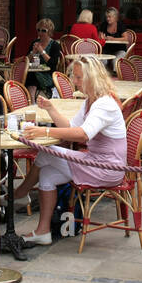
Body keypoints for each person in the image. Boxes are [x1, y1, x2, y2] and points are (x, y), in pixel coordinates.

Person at [13, 57, 126, 246]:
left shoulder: (103, 103)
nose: (75, 81)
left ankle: (21, 192)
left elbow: (82, 135)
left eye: (79, 77)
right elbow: (71, 127)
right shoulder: (91, 100)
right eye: (74, 77)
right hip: (95, 161)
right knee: (47, 174)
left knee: (47, 152)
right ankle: (43, 232)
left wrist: (45, 131)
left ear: (92, 78)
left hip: (107, 168)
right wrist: (51, 109)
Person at [27, 19, 62, 95]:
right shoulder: (34, 43)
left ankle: (31, 100)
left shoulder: (54, 45)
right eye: (38, 30)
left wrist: (42, 51)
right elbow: (26, 61)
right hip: (34, 71)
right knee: (28, 74)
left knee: (31, 76)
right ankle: (30, 99)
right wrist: (33, 52)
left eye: (43, 30)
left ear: (49, 32)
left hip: (47, 74)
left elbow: (52, 64)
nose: (40, 33)